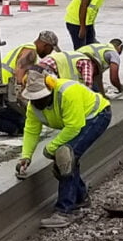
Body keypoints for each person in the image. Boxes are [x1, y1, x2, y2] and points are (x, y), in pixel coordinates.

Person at [16, 73, 112, 224]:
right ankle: (81, 198)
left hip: (97, 115)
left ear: (50, 89)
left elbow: (74, 126)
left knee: (65, 156)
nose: (38, 102)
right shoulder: (33, 106)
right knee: (67, 159)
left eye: (41, 97)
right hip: (77, 123)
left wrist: (51, 148)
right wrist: (26, 156)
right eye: (33, 99)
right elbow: (31, 130)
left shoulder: (67, 93)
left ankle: (65, 211)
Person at [0, 31, 74, 135]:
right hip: (0, 94)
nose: (50, 53)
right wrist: (25, 101)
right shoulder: (30, 52)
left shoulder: (27, 48)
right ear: (45, 45)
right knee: (25, 124)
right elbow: (19, 75)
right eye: (50, 49)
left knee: (22, 125)